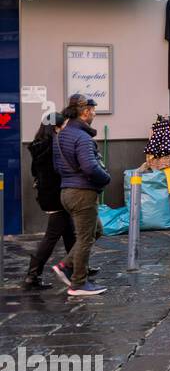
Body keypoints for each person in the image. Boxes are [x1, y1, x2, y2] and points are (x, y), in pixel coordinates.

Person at [51, 95, 110, 296]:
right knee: (85, 238)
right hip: (82, 193)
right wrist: (106, 178)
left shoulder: (61, 135)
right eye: (93, 110)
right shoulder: (82, 137)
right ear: (85, 112)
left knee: (96, 231)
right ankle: (78, 283)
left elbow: (56, 166)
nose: (94, 113)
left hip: (67, 191)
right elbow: (90, 167)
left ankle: (65, 265)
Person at [24, 118, 76, 291]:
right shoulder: (54, 146)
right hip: (56, 196)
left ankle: (77, 267)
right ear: (56, 127)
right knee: (52, 236)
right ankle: (32, 275)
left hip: (46, 195)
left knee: (69, 232)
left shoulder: (38, 145)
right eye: (64, 126)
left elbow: (33, 172)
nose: (65, 129)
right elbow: (60, 170)